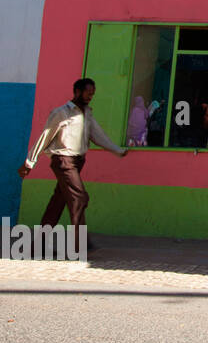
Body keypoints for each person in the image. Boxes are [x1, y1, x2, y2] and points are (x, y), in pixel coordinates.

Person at [18, 78, 128, 252]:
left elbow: (98, 136)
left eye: (93, 93)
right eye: (88, 92)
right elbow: (45, 137)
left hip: (77, 162)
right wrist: (30, 162)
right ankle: (80, 245)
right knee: (79, 197)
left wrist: (118, 150)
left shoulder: (87, 113)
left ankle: (37, 246)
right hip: (63, 161)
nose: (91, 96)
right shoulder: (61, 113)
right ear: (77, 91)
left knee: (58, 203)